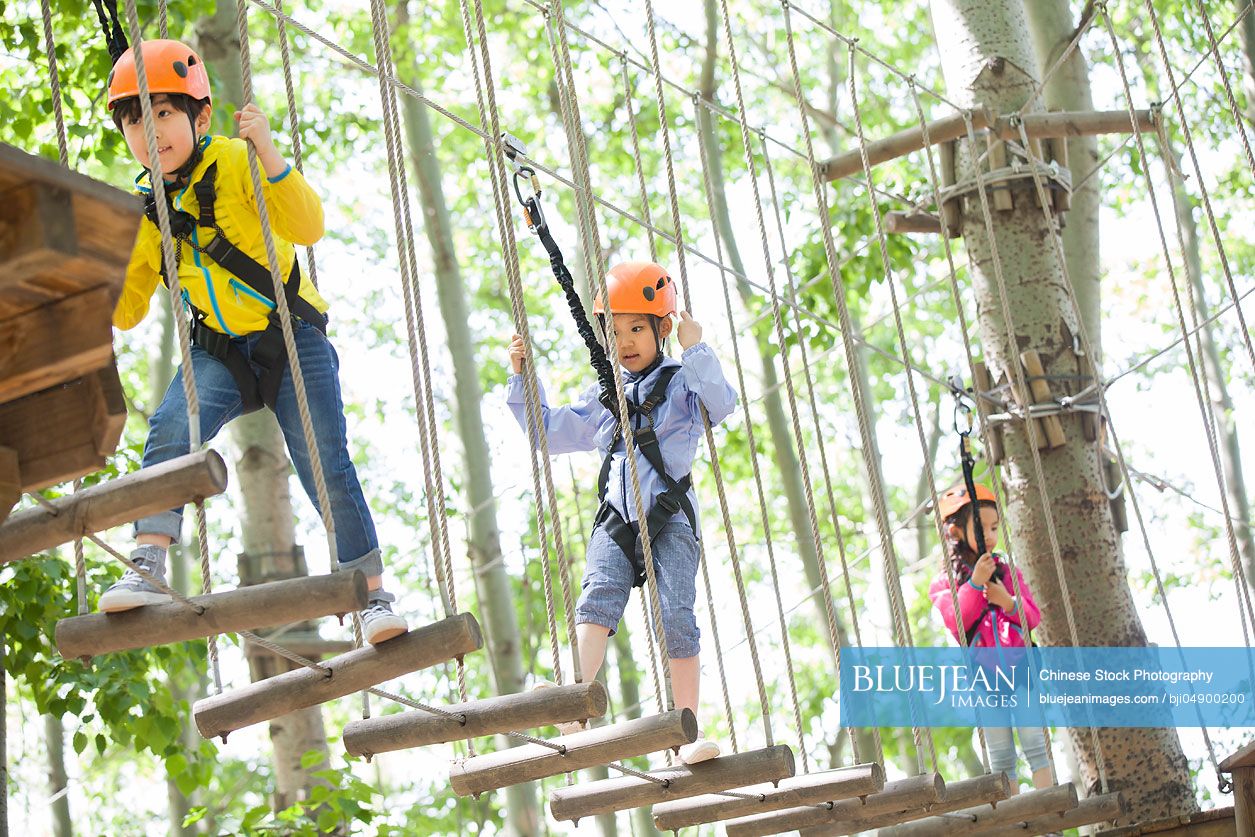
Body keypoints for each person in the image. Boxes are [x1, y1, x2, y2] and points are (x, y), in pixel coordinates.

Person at [100, 39, 407, 645]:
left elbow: (307, 225)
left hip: (290, 337)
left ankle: (369, 594)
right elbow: (129, 311)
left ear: (200, 117)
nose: (150, 132)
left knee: (323, 459)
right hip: (220, 351)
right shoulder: (144, 213)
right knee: (169, 429)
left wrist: (266, 151)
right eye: (136, 119)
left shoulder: (238, 161)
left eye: (162, 113)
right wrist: (96, 269)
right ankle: (148, 562)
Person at [506, 261, 737, 764]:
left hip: (670, 516)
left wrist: (695, 347)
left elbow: (719, 404)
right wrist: (523, 378)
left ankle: (685, 735)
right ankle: (574, 705)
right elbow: (546, 431)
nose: (626, 341)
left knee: (676, 616)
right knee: (598, 599)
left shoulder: (681, 384)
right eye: (615, 331)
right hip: (616, 517)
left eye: (637, 328)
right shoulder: (604, 396)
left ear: (662, 328)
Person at [927, 483, 1053, 792]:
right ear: (956, 532)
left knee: (1035, 742)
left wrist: (1007, 601)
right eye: (983, 528)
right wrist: (974, 584)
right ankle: (1011, 818)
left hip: (1021, 669)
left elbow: (1032, 616)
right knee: (1000, 754)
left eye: (995, 527)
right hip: (984, 677)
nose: (992, 536)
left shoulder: (1008, 572)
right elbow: (955, 621)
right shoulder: (945, 582)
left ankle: (1051, 811)